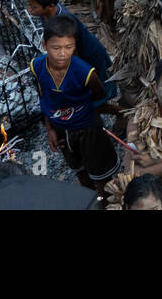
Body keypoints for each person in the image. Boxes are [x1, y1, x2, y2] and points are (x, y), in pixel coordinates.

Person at [32, 14, 119, 195]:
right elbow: (44, 96)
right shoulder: (38, 66)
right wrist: (50, 129)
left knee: (102, 174)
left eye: (68, 47)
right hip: (61, 129)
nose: (62, 54)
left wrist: (78, 106)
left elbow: (99, 94)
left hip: (88, 127)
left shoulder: (85, 72)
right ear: (44, 45)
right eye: (56, 48)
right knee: (79, 169)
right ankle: (87, 197)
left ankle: (105, 201)